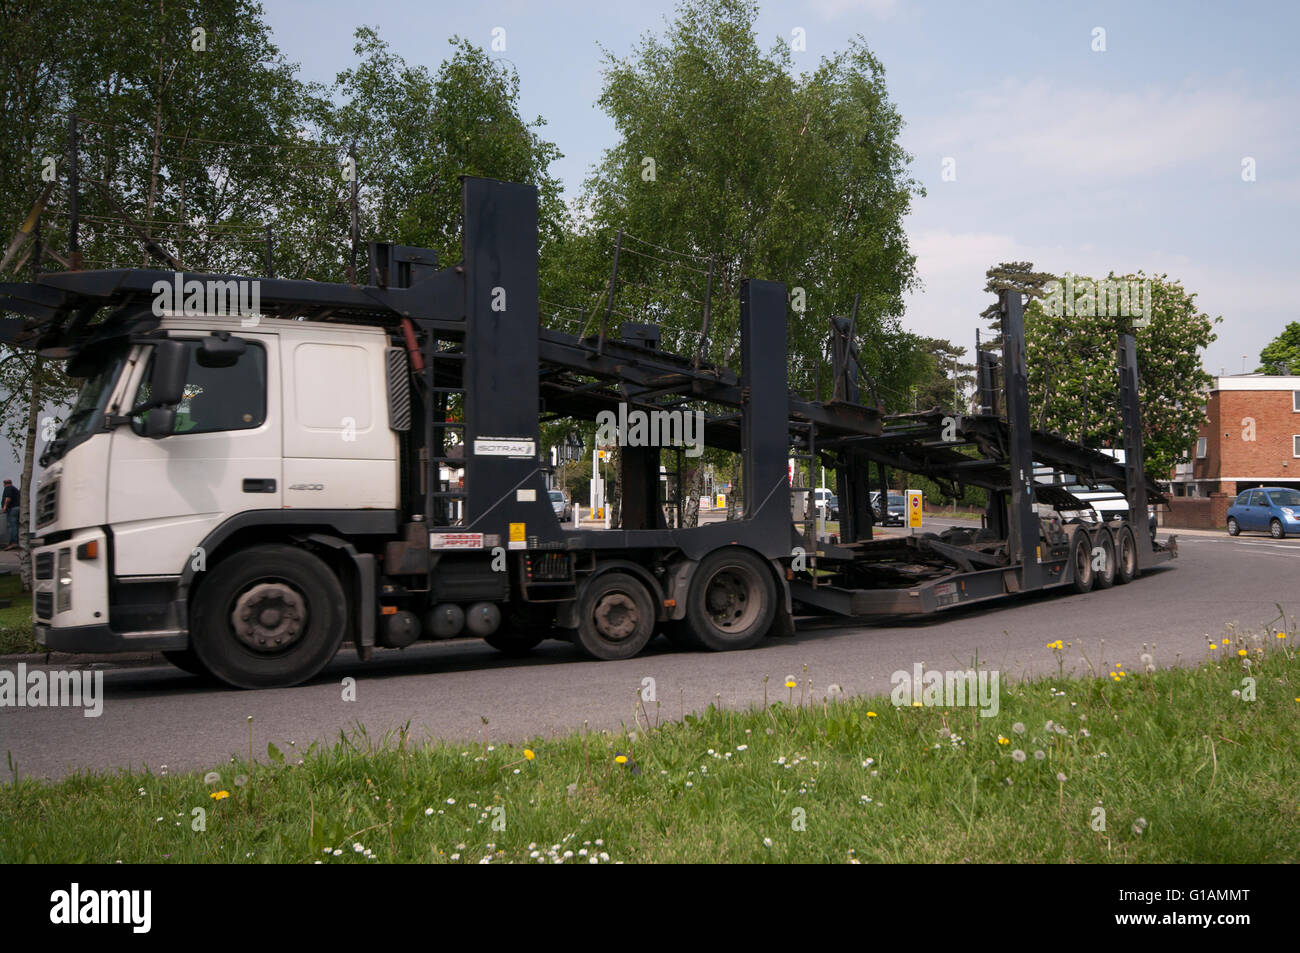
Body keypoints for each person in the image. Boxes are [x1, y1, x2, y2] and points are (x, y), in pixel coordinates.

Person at [2, 479, 19, 549]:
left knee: (13, 526)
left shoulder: (8, 488)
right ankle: (15, 541)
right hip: (17, 508)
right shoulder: (14, 489)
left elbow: (8, 498)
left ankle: (13, 542)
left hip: (13, 509)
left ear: (5, 484)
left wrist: (4, 507)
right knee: (15, 525)